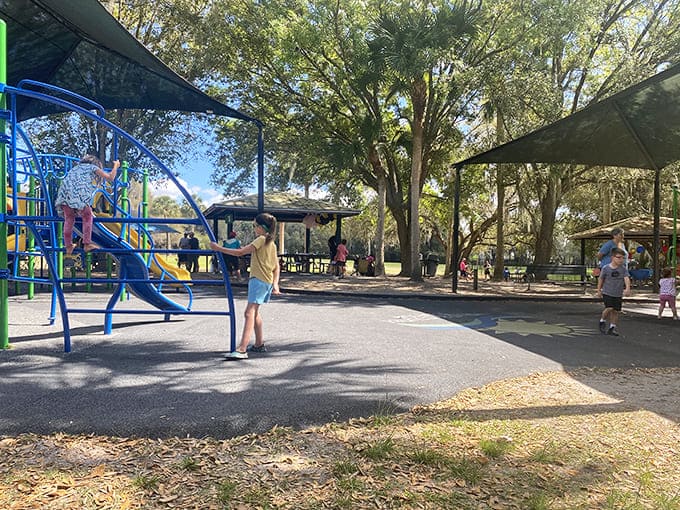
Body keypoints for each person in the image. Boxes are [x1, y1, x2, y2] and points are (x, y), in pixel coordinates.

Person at [210, 213, 280, 359]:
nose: (254, 228)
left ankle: (242, 349)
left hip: (258, 280)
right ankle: (259, 344)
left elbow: (241, 252)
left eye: (254, 226)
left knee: (249, 312)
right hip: (265, 281)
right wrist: (275, 284)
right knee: (255, 312)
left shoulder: (260, 239)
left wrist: (219, 248)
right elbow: (276, 266)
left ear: (260, 227)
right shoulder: (271, 243)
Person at [55, 155, 119, 254]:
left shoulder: (75, 169)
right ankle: (87, 244)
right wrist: (116, 166)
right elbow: (110, 177)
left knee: (69, 219)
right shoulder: (93, 167)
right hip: (79, 196)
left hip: (64, 196)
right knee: (88, 216)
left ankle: (68, 246)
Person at [596, 247, 631, 336]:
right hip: (607, 292)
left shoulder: (623, 269)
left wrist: (627, 288)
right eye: (618, 257)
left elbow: (626, 278)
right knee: (609, 308)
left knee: (615, 311)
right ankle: (602, 320)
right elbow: (601, 279)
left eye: (622, 258)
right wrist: (599, 290)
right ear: (612, 258)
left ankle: (612, 327)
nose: (621, 260)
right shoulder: (606, 268)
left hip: (618, 293)